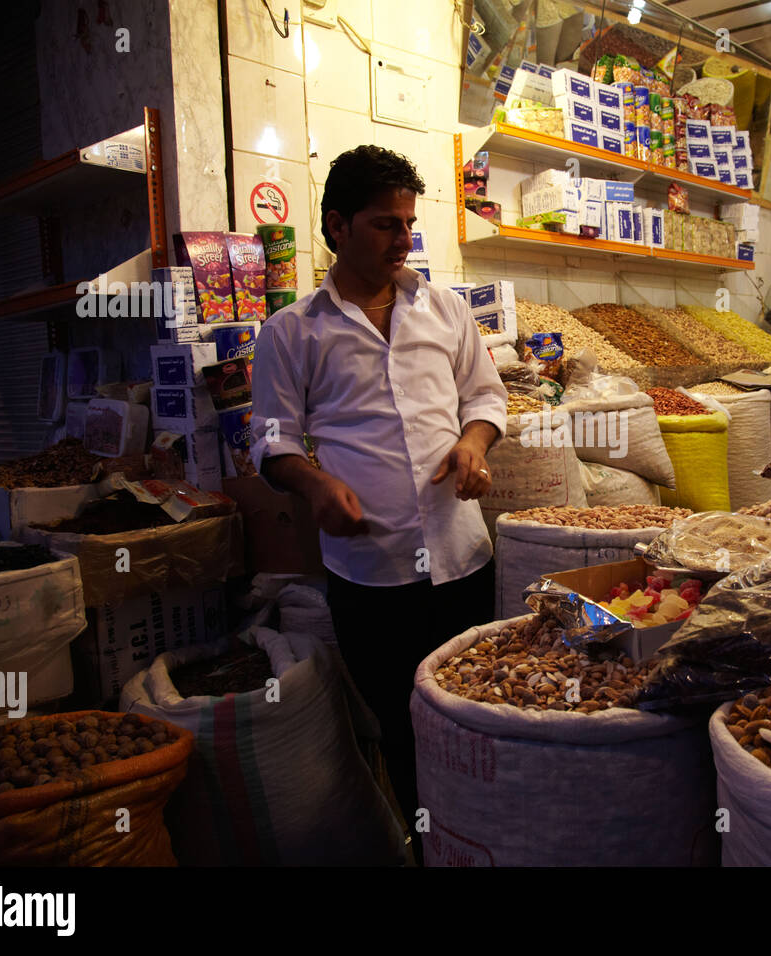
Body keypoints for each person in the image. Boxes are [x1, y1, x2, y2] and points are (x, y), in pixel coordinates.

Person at [249, 146, 507, 851]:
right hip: (372, 577)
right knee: (404, 727)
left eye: (408, 224)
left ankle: (485, 844)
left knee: (474, 714)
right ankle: (431, 849)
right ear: (338, 225)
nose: (404, 241)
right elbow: (269, 438)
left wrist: (474, 445)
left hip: (462, 560)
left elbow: (484, 395)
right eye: (385, 225)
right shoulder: (292, 331)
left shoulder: (444, 310)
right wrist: (312, 481)